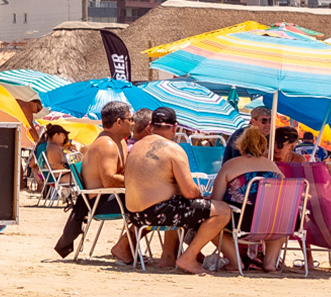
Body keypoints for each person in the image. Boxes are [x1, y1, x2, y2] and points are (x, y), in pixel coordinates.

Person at [122, 107, 232, 274]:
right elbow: (190, 192)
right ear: (175, 127)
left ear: (150, 125)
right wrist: (202, 196)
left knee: (178, 204)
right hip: (158, 214)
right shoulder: (173, 149)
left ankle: (168, 258)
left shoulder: (136, 147)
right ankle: (189, 257)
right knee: (222, 211)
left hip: (135, 216)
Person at [55, 101, 131, 259]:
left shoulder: (120, 141)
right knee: (151, 203)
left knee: (154, 200)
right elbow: (109, 180)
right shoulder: (107, 145)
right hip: (101, 203)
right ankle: (125, 247)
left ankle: (128, 246)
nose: (132, 123)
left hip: (111, 196)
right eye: (129, 119)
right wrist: (139, 183)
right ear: (118, 122)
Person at [210, 125, 288, 272]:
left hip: (243, 221)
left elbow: (216, 199)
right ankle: (270, 263)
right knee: (278, 217)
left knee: (210, 221)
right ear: (264, 146)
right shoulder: (274, 168)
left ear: (241, 145)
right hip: (277, 222)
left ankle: (235, 261)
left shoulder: (231, 165)